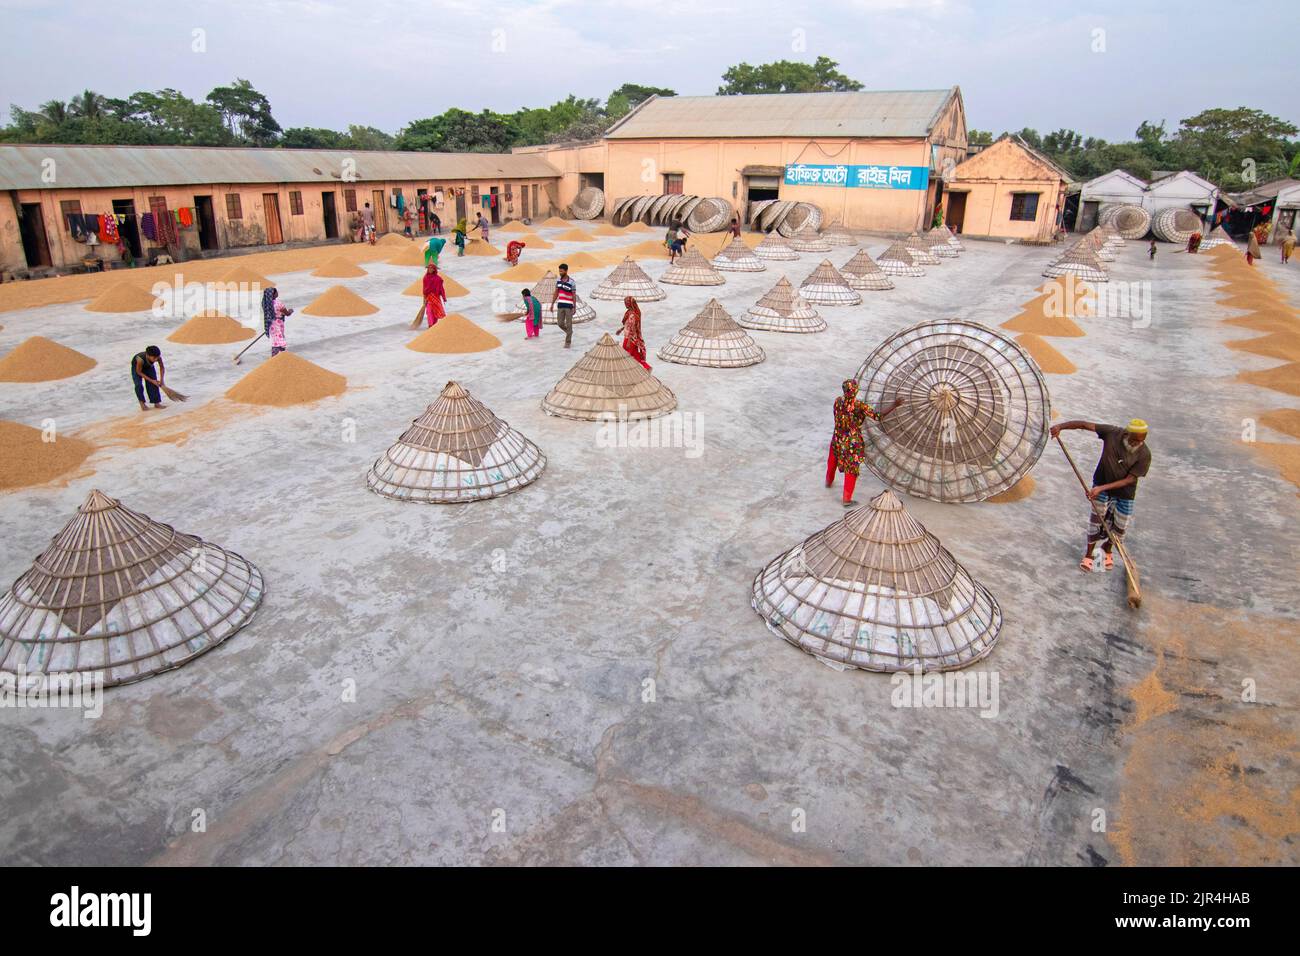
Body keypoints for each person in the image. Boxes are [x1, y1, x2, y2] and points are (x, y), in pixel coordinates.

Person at [1050, 418, 1152, 572]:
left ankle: (1107, 549)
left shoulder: (1144, 454)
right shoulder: (1112, 433)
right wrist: (1060, 427)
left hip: (1125, 493)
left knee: (1120, 527)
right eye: (1134, 440)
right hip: (1101, 483)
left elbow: (1129, 480)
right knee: (1096, 521)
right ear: (1127, 433)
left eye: (1140, 441)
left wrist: (1101, 488)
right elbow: (1083, 425)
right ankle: (1089, 555)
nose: (1136, 443)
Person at [826, 381, 903, 506]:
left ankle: (828, 482)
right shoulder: (859, 406)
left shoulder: (838, 401)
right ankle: (846, 500)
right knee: (851, 470)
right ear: (855, 391)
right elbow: (878, 416)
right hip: (852, 443)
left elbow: (838, 416)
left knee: (833, 459)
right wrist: (894, 405)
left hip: (838, 437)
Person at [616, 296, 649, 369]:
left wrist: (628, 341)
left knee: (626, 354)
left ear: (629, 304)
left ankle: (628, 370)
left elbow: (632, 328)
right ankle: (647, 367)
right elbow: (628, 325)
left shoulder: (632, 315)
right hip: (630, 337)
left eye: (626, 303)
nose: (625, 304)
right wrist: (621, 330)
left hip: (630, 338)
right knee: (635, 356)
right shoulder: (629, 313)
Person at [131, 345, 167, 411]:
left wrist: (162, 380)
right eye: (154, 358)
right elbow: (139, 372)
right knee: (138, 385)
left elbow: (162, 368)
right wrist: (151, 380)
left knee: (154, 384)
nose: (156, 359)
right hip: (137, 368)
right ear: (148, 355)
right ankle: (142, 404)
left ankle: (156, 403)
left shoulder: (158, 357)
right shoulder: (140, 359)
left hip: (148, 367)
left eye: (157, 357)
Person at [551, 263, 577, 349]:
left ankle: (568, 342)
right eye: (559, 271)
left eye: (561, 271)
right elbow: (556, 292)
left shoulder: (572, 282)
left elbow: (573, 295)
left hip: (569, 306)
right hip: (560, 304)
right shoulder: (558, 280)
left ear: (566, 271)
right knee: (560, 323)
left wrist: (574, 306)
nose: (560, 272)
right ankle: (569, 332)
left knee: (569, 324)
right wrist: (552, 303)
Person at [263, 287, 293, 356]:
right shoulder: (278, 303)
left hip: (270, 324)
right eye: (276, 292)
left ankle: (278, 355)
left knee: (275, 339)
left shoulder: (266, 304)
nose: (277, 293)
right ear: (273, 295)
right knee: (279, 339)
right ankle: (278, 356)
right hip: (278, 324)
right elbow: (287, 313)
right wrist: (290, 311)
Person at [422, 262, 447, 328]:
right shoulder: (425, 278)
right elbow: (424, 289)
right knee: (429, 311)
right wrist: (424, 299)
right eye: (429, 268)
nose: (430, 269)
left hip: (436, 297)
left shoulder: (438, 279)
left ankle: (434, 326)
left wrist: (444, 297)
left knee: (435, 312)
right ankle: (430, 325)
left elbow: (441, 289)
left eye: (431, 268)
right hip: (429, 297)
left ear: (434, 270)